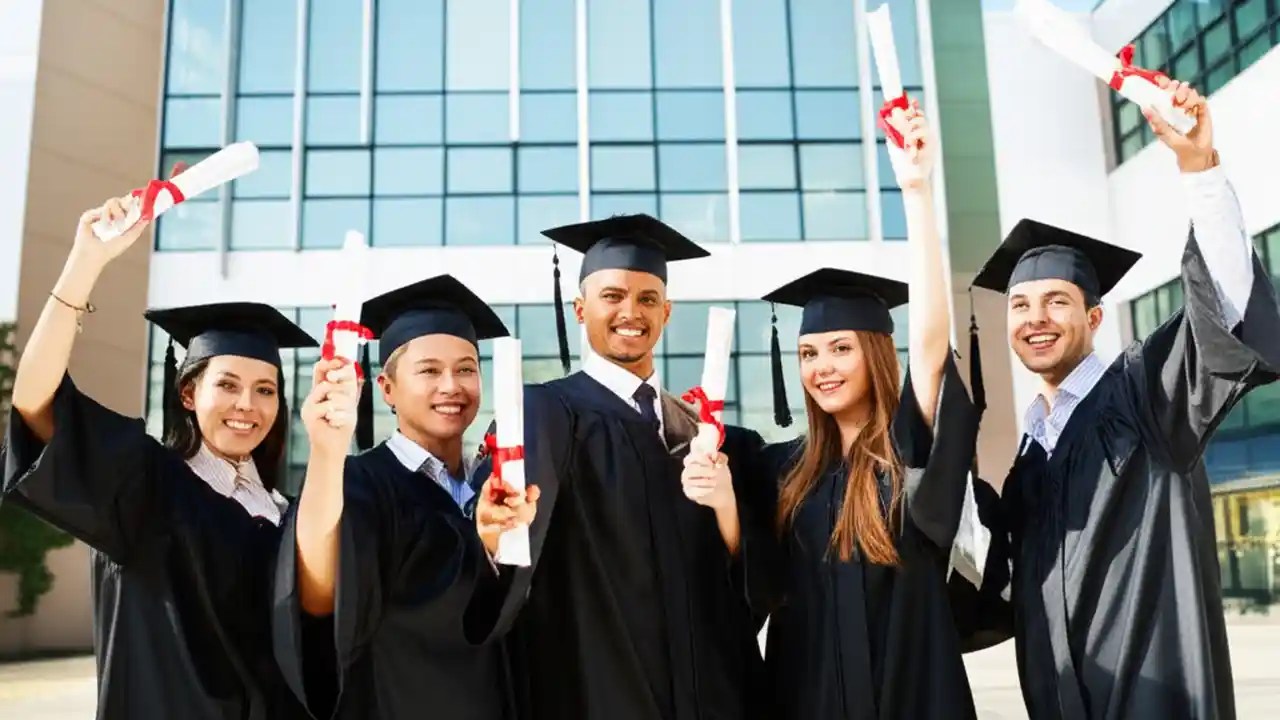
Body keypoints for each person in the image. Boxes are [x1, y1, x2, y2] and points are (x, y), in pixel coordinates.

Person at [967, 77, 1280, 719]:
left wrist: (1198, 169)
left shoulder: (1144, 398)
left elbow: (1220, 312)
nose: (1036, 319)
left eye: (1057, 301)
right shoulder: (1030, 454)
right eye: (1021, 306)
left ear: (1096, 317)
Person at [687, 105, 982, 719]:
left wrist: (917, 192)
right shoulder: (784, 470)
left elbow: (930, 344)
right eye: (808, 353)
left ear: (875, 353)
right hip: (806, 698)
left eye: (841, 349)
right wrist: (722, 503)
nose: (822, 366)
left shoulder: (909, 447)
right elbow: (758, 572)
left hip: (911, 696)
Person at [2, 194, 315, 719]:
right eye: (229, 385)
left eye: (266, 390)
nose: (248, 405)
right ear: (189, 394)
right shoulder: (143, 483)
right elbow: (36, 401)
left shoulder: (290, 515)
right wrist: (86, 263)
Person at [485, 214, 767, 719]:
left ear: (667, 312)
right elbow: (512, 561)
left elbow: (745, 584)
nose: (630, 312)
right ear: (579, 308)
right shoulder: (545, 416)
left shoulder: (705, 435)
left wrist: (727, 507)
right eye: (612, 296)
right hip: (595, 690)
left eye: (647, 298)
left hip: (707, 691)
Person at [276, 274, 539, 720]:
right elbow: (324, 600)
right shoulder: (360, 482)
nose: (452, 385)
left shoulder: (496, 487)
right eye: (429, 370)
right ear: (387, 389)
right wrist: (326, 451)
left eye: (466, 368)